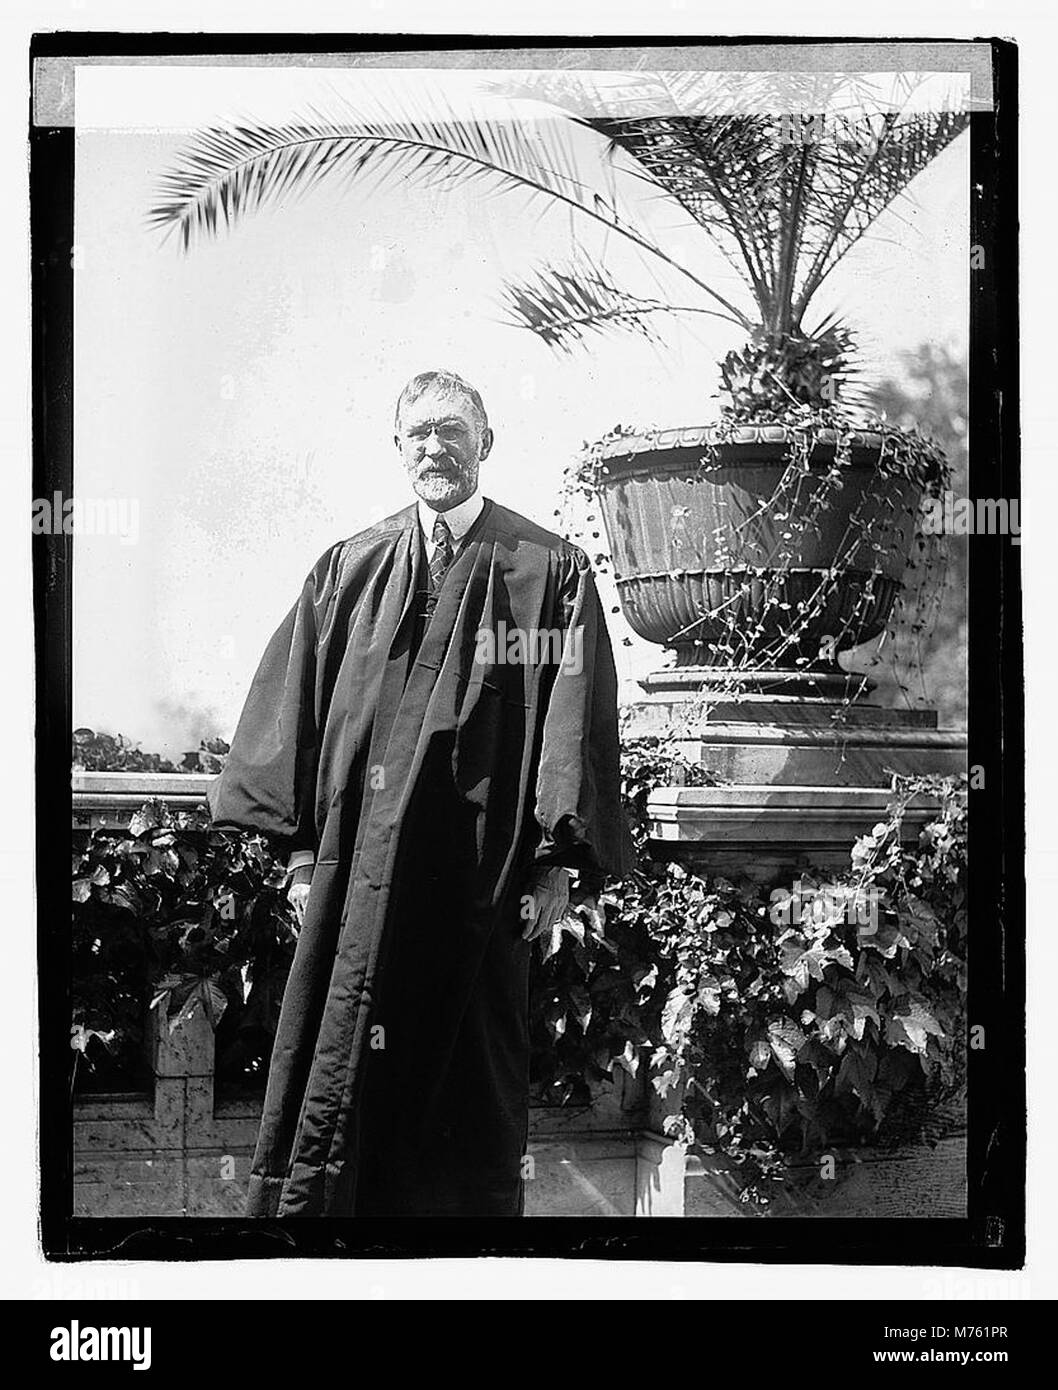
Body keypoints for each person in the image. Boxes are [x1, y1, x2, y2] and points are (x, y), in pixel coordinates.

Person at [208, 368, 629, 1217]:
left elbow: (570, 722)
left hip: (479, 879)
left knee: (471, 1081)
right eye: (418, 434)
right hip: (356, 876)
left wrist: (555, 864)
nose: (435, 447)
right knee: (346, 1073)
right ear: (398, 448)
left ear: (486, 443)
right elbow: (296, 712)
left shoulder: (549, 570)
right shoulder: (347, 569)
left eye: (452, 430)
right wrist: (297, 855)